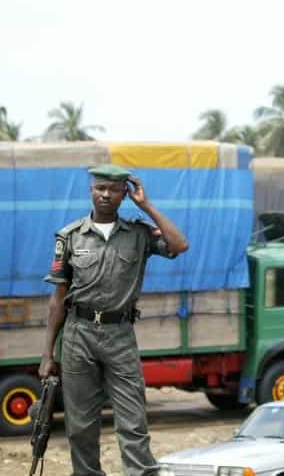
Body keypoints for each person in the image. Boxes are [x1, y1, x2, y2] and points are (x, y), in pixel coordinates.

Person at [39, 164, 189, 476]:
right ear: (91, 191)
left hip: (120, 335)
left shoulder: (139, 234)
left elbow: (179, 245)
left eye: (114, 189)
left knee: (133, 421)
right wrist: (47, 353)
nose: (106, 194)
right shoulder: (69, 237)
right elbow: (57, 300)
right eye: (100, 188)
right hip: (78, 335)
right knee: (80, 425)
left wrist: (146, 205)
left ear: (124, 194)